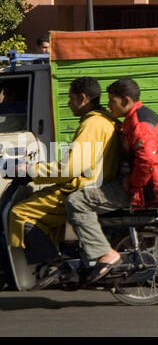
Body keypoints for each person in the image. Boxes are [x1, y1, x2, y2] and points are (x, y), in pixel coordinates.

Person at [65, 78, 158, 281]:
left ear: (126, 101)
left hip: (144, 190)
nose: (108, 106)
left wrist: (133, 184)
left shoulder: (140, 124)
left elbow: (147, 160)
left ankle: (105, 253)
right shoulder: (134, 117)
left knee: (77, 201)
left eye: (112, 101)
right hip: (145, 186)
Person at [6, 77, 120, 267]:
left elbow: (71, 167)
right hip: (95, 182)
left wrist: (32, 170)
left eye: (71, 98)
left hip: (81, 187)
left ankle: (51, 266)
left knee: (20, 212)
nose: (68, 103)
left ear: (82, 98)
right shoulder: (105, 120)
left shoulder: (92, 124)